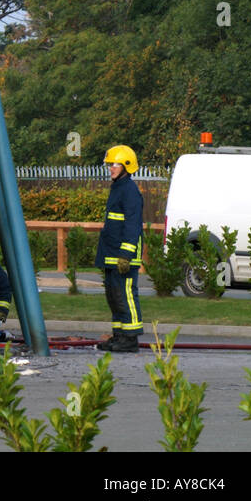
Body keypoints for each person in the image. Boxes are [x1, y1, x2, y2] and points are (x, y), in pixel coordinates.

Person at [97, 144, 144, 353]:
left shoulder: (130, 190)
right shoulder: (118, 188)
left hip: (123, 254)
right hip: (112, 253)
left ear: (126, 165)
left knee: (125, 295)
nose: (111, 168)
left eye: (115, 164)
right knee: (114, 295)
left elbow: (132, 225)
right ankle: (119, 335)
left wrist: (125, 255)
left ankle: (131, 338)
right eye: (109, 164)